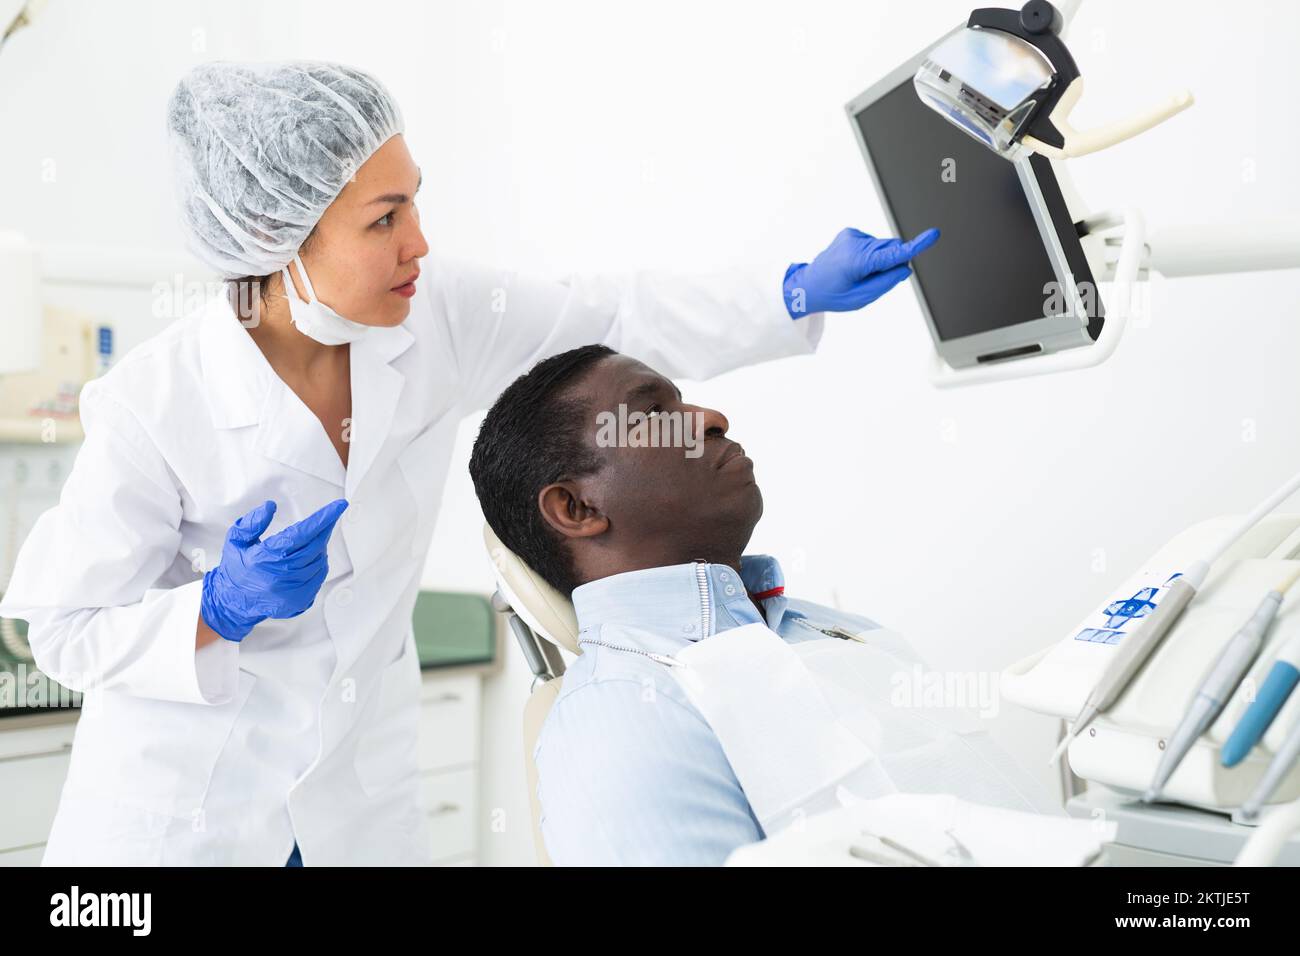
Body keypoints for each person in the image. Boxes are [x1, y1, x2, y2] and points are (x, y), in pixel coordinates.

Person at [0, 60, 936, 866]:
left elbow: (604, 320)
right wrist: (215, 610)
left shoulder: (433, 311)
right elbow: (64, 629)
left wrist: (792, 291)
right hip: (186, 810)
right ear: (276, 239)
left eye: (416, 200)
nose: (420, 242)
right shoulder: (155, 403)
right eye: (384, 219)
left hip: (355, 801)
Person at [469, 345, 1058, 865]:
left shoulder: (823, 628)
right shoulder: (621, 715)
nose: (710, 418)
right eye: (654, 415)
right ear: (576, 508)